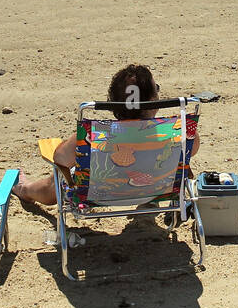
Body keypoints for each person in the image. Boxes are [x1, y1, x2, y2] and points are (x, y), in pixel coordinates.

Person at [12, 64, 199, 206]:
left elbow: (60, 157)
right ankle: (146, 202)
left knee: (57, 180)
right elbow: (194, 148)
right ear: (153, 101)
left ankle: (25, 190)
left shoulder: (98, 134)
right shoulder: (176, 130)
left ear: (113, 103)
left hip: (99, 193)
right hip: (158, 189)